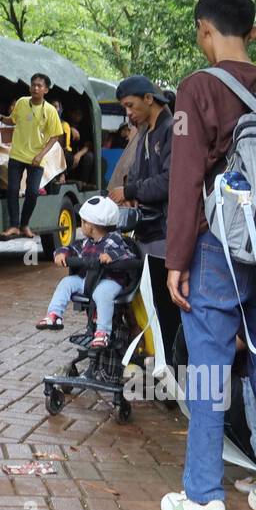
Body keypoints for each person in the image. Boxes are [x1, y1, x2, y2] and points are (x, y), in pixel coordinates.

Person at [161, 0, 256, 510]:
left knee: (211, 372)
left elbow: (185, 176)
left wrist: (177, 257)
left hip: (219, 246)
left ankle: (203, 500)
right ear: (254, 31)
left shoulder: (195, 88)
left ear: (204, 29)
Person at [109, 75, 178, 364]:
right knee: (154, 308)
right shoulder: (145, 132)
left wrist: (131, 190)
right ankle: (162, 365)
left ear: (149, 99)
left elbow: (170, 181)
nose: (128, 113)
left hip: (166, 234)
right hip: (147, 233)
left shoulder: (172, 129)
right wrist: (130, 194)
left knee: (169, 311)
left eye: (130, 105)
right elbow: (138, 176)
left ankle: (176, 372)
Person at [35, 196, 135, 348]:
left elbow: (128, 254)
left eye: (82, 222)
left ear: (91, 226)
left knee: (102, 294)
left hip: (110, 281)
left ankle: (103, 332)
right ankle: (54, 315)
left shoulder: (115, 240)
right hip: (88, 279)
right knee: (66, 283)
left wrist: (112, 256)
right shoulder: (86, 242)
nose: (81, 225)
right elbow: (71, 248)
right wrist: (61, 253)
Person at [0, 73, 63, 238]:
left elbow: (55, 136)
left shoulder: (50, 111)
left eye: (39, 86)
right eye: (33, 85)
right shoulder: (22, 103)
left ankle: (24, 224)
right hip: (17, 154)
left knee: (32, 192)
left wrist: (41, 155)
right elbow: (13, 120)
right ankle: (14, 226)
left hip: (37, 158)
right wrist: (2, 117)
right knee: (12, 190)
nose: (35, 88)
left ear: (46, 90)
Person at [65, 106, 96, 188]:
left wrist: (79, 155)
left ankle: (83, 183)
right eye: (74, 113)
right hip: (67, 153)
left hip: (79, 155)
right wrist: (70, 129)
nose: (76, 116)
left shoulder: (84, 127)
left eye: (79, 114)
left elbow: (88, 145)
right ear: (70, 114)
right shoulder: (65, 124)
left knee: (89, 156)